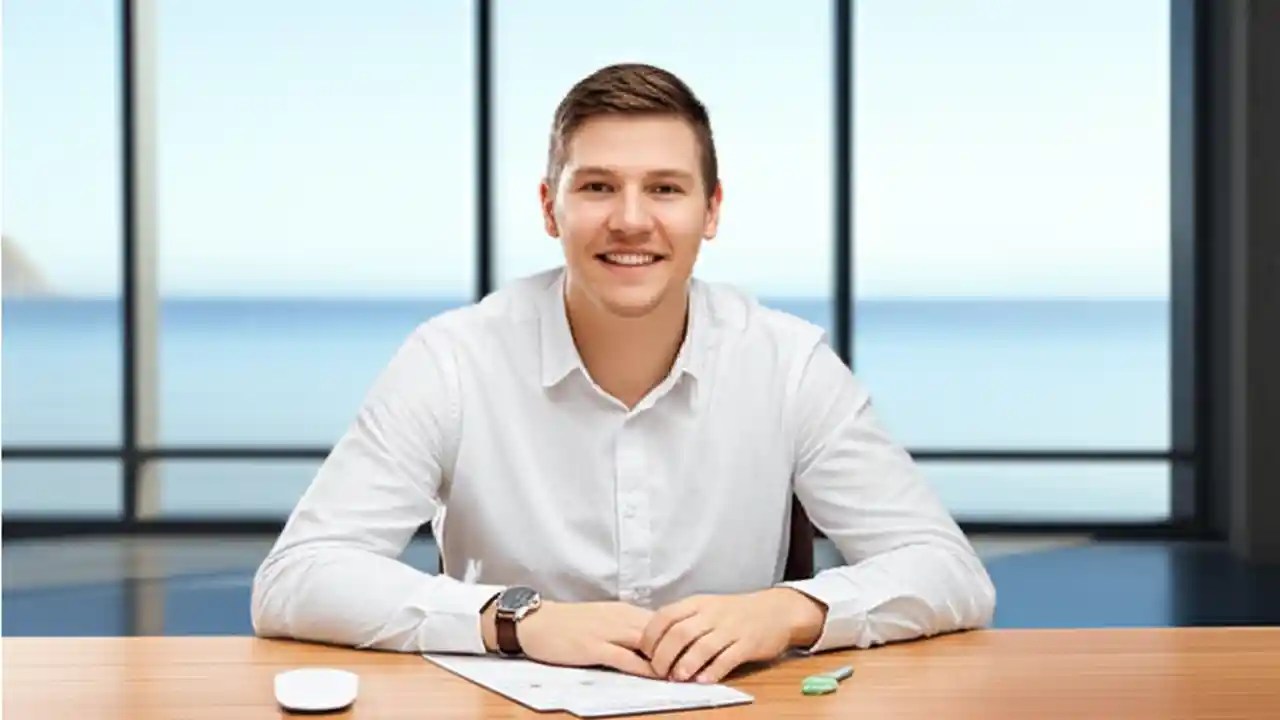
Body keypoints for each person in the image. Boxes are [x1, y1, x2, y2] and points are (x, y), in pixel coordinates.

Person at [251, 62, 996, 684]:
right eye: (597, 186)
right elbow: (299, 577)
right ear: (551, 208)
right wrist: (516, 622)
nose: (631, 220)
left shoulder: (788, 362)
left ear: (712, 210)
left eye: (665, 189)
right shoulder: (452, 359)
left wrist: (788, 610)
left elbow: (948, 573)